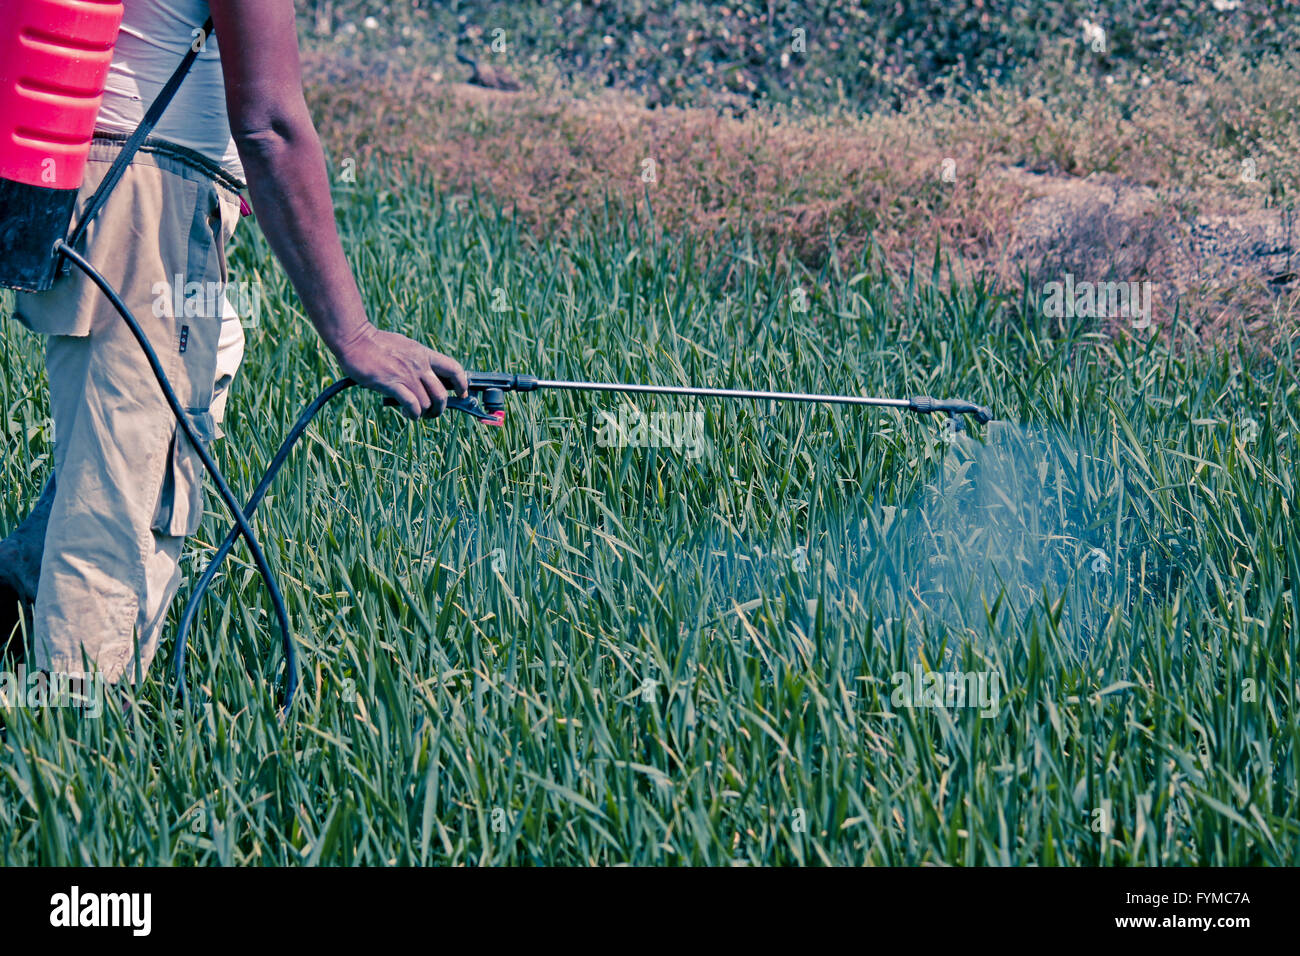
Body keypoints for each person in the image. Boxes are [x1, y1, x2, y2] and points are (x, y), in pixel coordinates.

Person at [0, 0, 467, 684]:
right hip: (141, 195)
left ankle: (17, 613)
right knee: (123, 495)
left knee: (139, 434)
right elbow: (269, 124)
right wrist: (355, 334)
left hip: (81, 174)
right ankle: (75, 743)